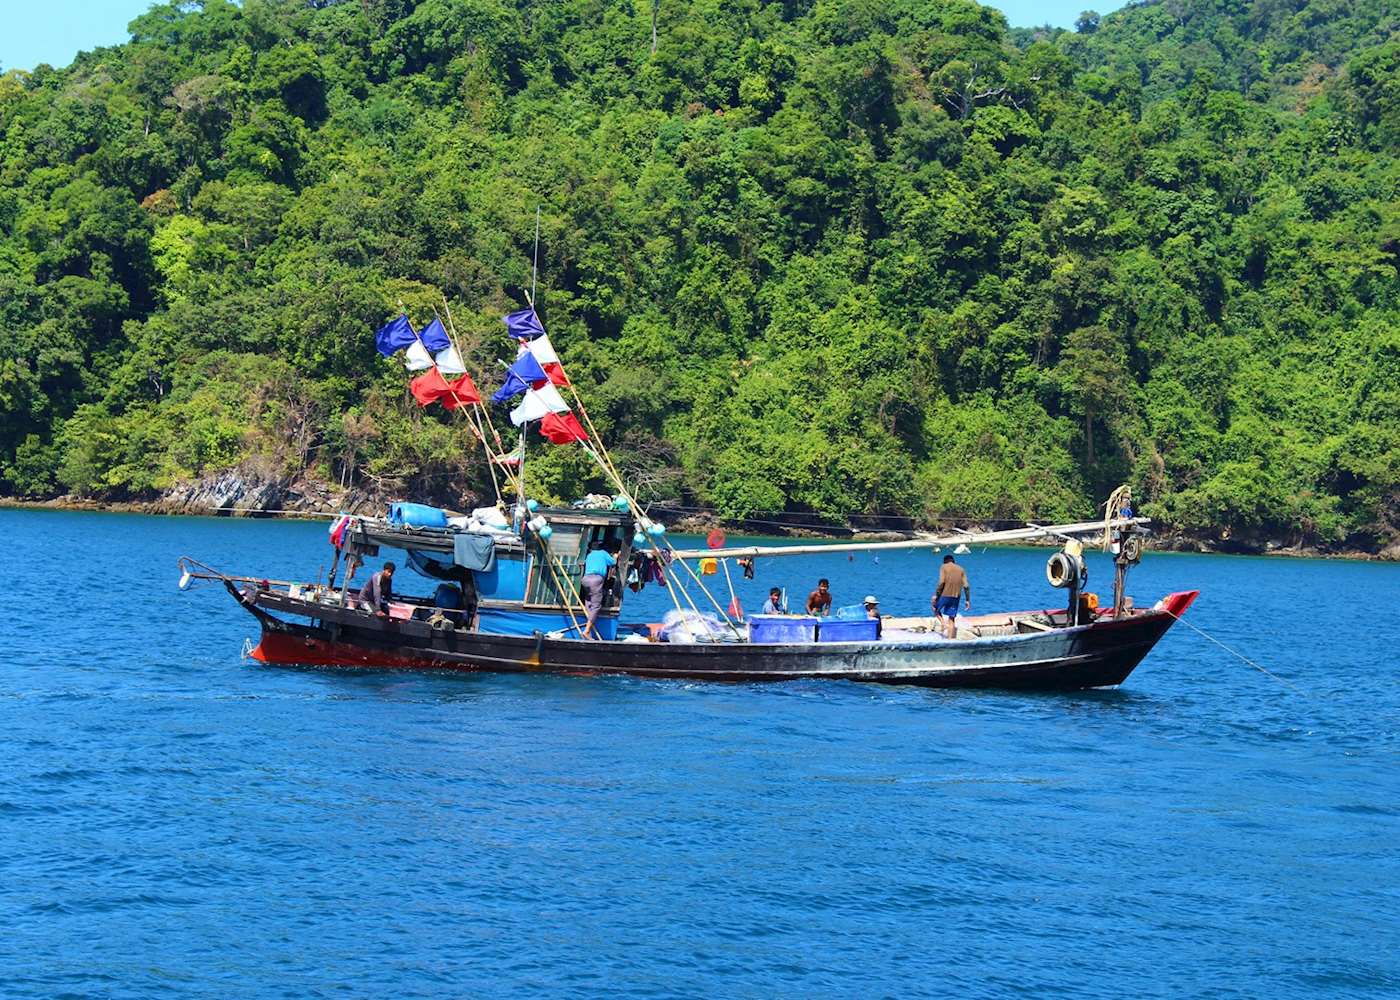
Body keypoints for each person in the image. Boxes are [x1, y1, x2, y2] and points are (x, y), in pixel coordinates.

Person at [580, 541, 616, 639]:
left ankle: (589, 624)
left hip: (585, 579)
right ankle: (587, 631)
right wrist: (616, 556)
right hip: (596, 580)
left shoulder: (589, 555)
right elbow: (613, 562)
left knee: (588, 601)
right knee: (596, 606)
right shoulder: (603, 553)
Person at [931, 555, 971, 638]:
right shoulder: (961, 569)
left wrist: (937, 595)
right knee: (952, 618)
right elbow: (966, 586)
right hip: (956, 596)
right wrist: (967, 600)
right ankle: (950, 639)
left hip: (945, 594)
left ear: (945, 561)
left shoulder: (943, 567)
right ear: (953, 561)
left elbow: (941, 582)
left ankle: (943, 623)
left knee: (934, 607)